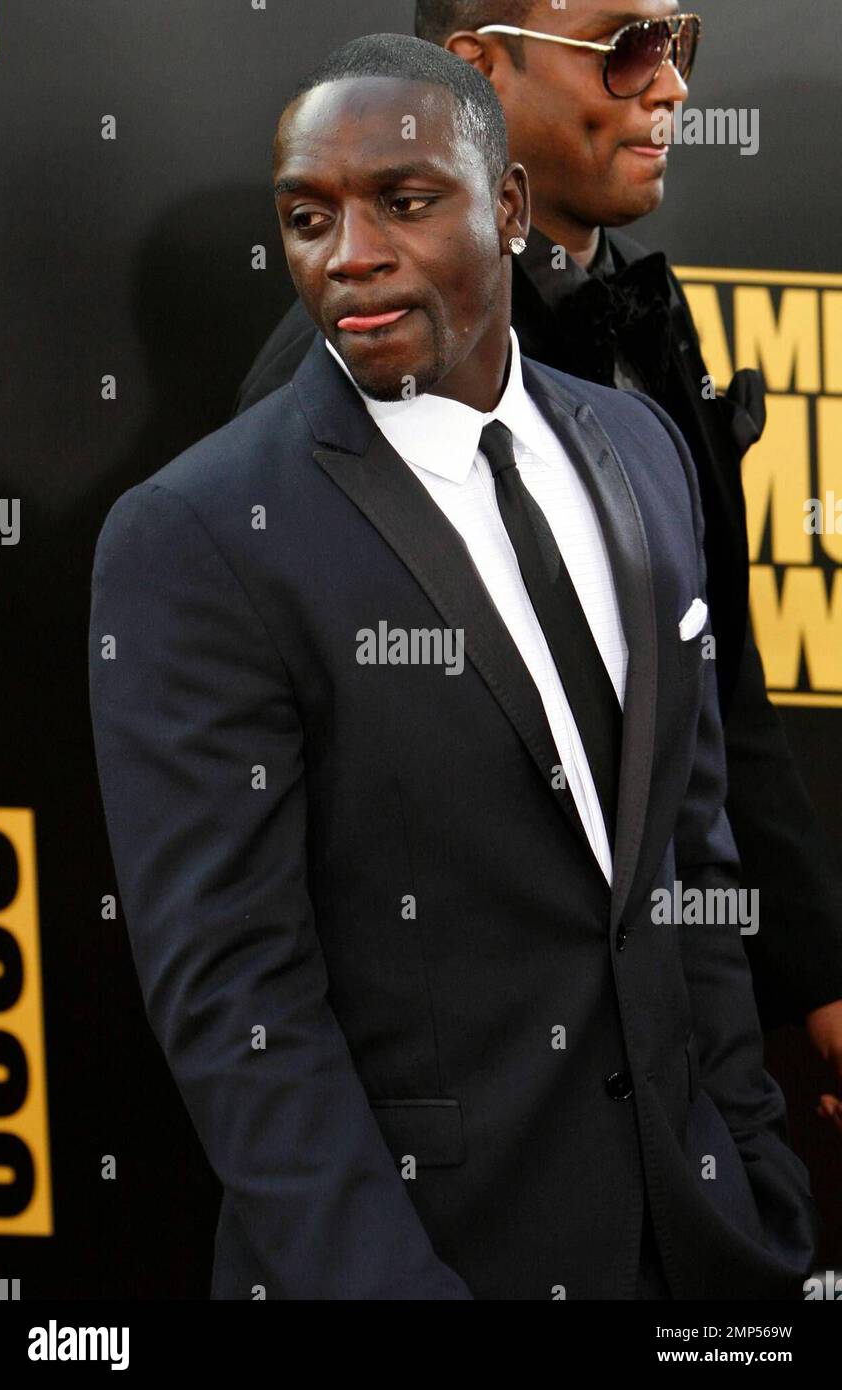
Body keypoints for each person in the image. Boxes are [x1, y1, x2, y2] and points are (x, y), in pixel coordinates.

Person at [89, 34, 815, 1300]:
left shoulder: (640, 449)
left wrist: (751, 1166)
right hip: (427, 1260)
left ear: (510, 208)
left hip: (700, 1249)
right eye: (308, 216)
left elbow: (689, 853)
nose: (348, 254)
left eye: (406, 202)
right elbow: (235, 1000)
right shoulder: (200, 533)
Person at [233, 3, 842, 1130]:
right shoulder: (319, 410)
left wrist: (809, 982)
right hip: (468, 1137)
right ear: (478, 71)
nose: (671, 90)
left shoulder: (648, 328)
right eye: (627, 48)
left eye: (680, 43)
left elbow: (718, 703)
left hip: (680, 1112)